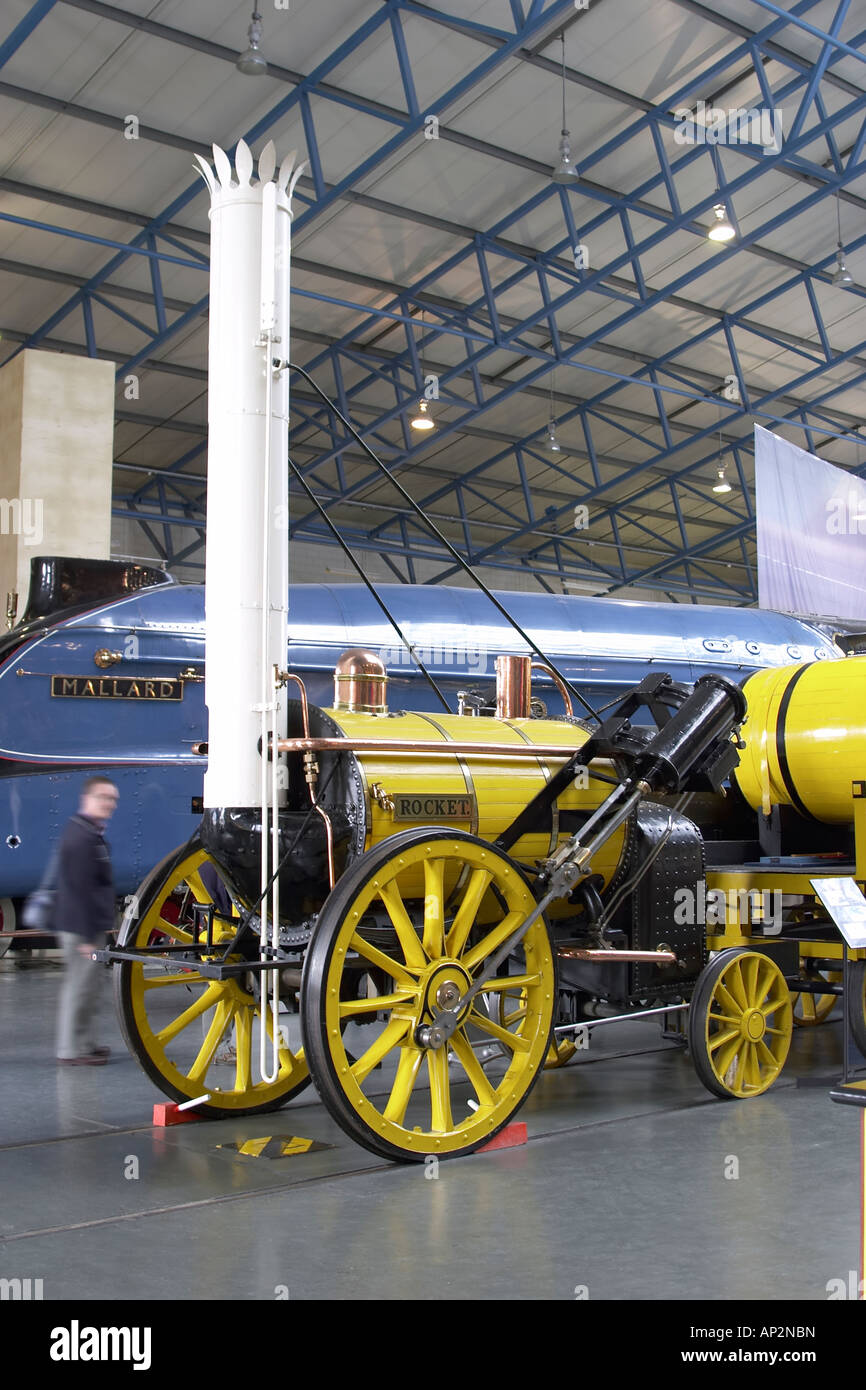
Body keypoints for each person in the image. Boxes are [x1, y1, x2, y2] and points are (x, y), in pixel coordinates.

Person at [55, 775, 119, 1066]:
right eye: (104, 798)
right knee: (80, 987)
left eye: (112, 799)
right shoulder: (81, 837)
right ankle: (71, 1050)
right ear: (87, 799)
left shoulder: (88, 832)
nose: (109, 804)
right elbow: (79, 888)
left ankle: (86, 1043)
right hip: (83, 929)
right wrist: (84, 937)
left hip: (90, 926)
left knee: (90, 986)